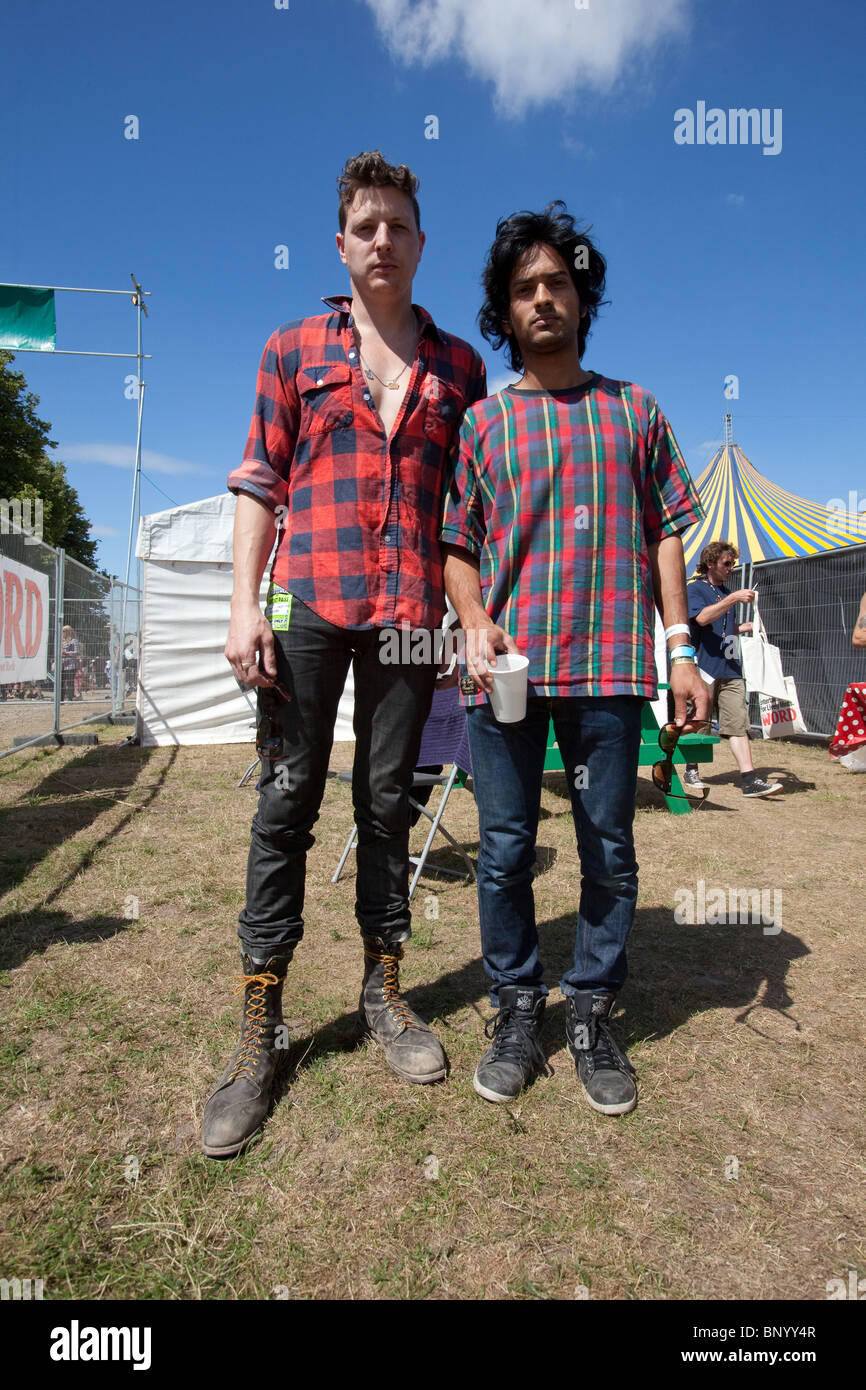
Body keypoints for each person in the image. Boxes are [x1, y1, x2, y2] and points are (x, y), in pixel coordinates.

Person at [202, 150, 487, 1159]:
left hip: (409, 616)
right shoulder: (289, 347)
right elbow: (256, 481)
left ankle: (385, 994)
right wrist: (245, 604)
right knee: (286, 803)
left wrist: (473, 617)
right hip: (312, 605)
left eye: (396, 226)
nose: (380, 240)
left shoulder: (460, 368)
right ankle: (260, 1024)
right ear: (341, 242)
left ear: (418, 241)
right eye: (363, 226)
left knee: (384, 806)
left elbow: (469, 509)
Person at [441, 202, 709, 1116]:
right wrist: (472, 619)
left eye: (558, 282)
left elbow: (671, 534)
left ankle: (592, 1008)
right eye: (524, 289)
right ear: (504, 310)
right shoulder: (481, 426)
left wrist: (681, 648)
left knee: (609, 849)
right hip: (508, 673)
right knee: (506, 850)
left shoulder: (635, 410)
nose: (543, 298)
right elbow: (455, 544)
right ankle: (517, 1004)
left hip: (610, 668)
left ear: (582, 296)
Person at [682, 541, 782, 798]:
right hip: (703, 668)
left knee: (738, 724)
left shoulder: (725, 593)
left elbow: (723, 629)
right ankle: (691, 768)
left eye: (733, 564)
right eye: (727, 564)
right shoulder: (696, 589)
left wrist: (744, 627)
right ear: (710, 564)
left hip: (731, 667)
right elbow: (702, 619)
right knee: (699, 722)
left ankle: (749, 779)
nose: (731, 569)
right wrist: (733, 598)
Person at [60, 625, 80, 702]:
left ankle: (69, 698)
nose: (62, 633)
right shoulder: (60, 641)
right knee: (61, 682)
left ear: (68, 632)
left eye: (63, 631)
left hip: (70, 665)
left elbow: (77, 652)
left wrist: (66, 653)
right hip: (61, 664)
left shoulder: (73, 641)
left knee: (69, 682)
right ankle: (60, 699)